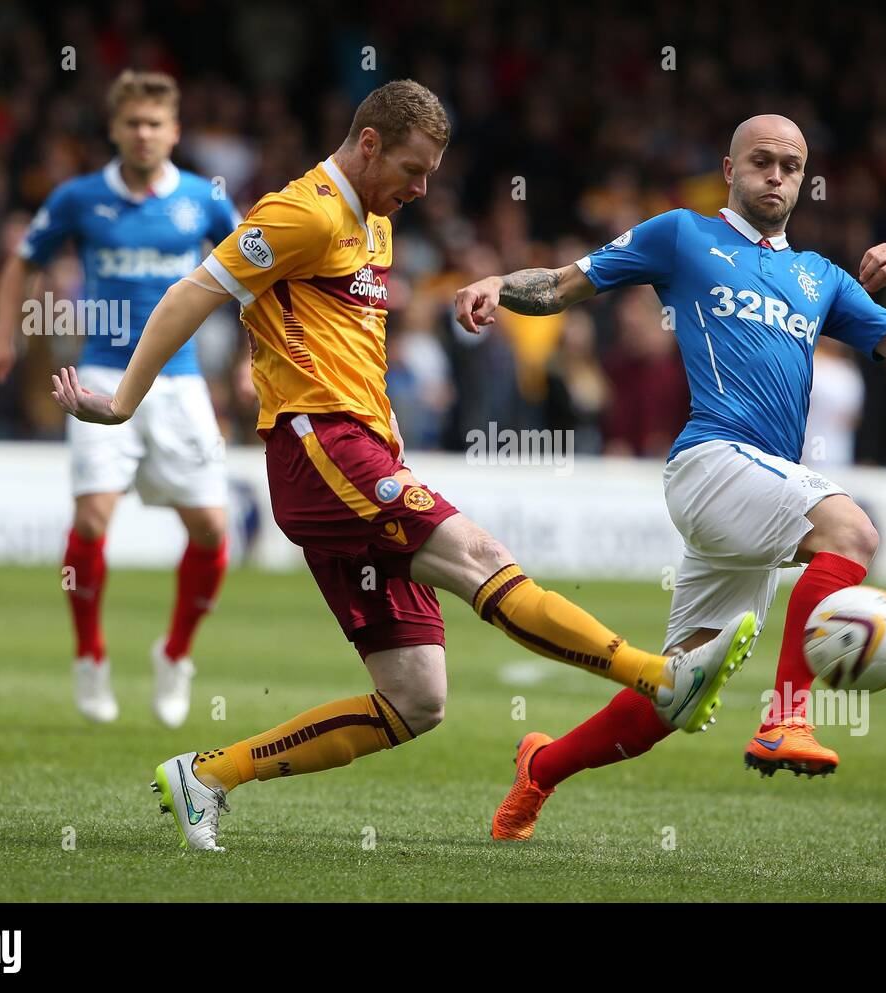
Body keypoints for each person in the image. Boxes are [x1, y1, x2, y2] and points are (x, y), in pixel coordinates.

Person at [50, 80, 751, 853]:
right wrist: (124, 402)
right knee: (481, 556)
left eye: (431, 176)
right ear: (370, 143)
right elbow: (193, 292)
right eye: (413, 170)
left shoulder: (375, 222)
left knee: (417, 698)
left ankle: (207, 776)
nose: (421, 190)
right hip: (319, 447)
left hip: (363, 451)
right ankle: (660, 676)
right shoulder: (301, 212)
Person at [454, 114, 886, 841]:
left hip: (762, 483)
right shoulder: (682, 235)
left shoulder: (820, 278)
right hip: (713, 460)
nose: (776, 176)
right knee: (853, 528)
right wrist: (499, 279)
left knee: (673, 696)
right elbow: (560, 286)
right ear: (730, 169)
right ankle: (785, 721)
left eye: (790, 166)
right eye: (762, 162)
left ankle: (540, 768)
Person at [0, 70, 240, 728]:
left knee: (212, 530)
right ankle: (90, 654)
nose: (144, 134)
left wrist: (253, 361)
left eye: (156, 123)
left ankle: (175, 653)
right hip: (99, 371)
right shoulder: (78, 197)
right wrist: (1, 333)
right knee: (93, 519)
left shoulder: (204, 202)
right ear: (116, 129)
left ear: (175, 131)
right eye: (133, 123)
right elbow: (21, 258)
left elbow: (252, 276)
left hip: (179, 383)